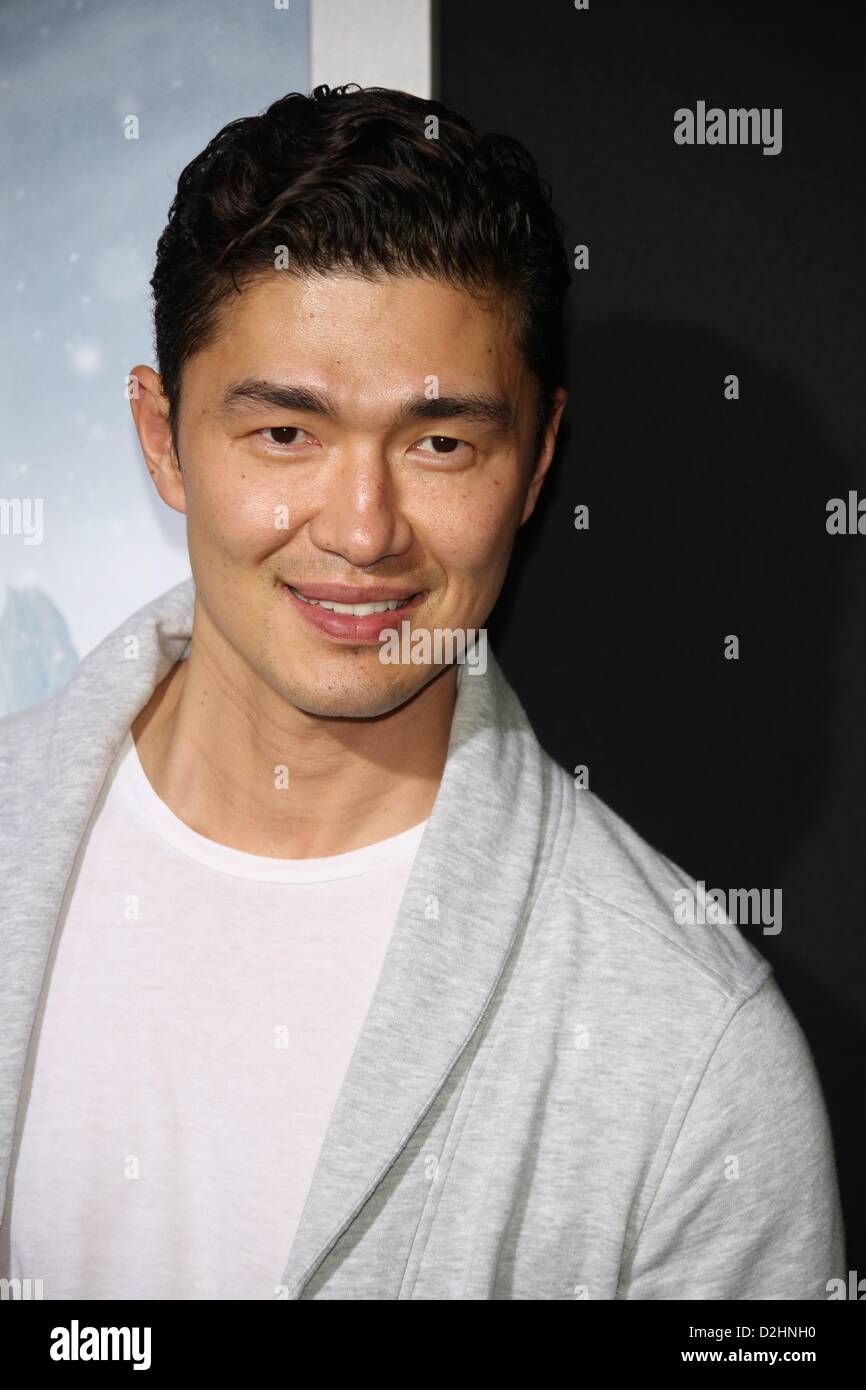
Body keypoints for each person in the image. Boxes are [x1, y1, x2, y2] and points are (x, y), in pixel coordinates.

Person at [0, 84, 844, 1300]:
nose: (360, 530)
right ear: (160, 437)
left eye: (439, 442)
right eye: (285, 433)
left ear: (537, 460)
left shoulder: (692, 1058)